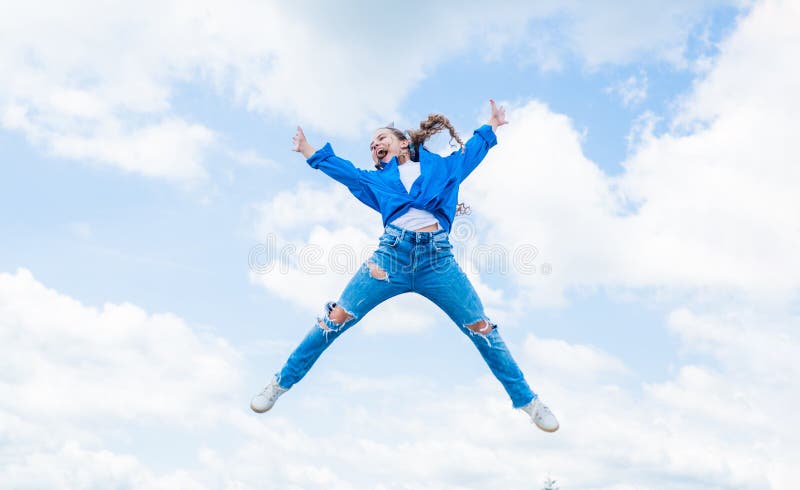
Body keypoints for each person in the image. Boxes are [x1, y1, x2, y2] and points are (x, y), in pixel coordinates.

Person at [251, 100, 559, 432]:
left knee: (482, 329)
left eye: (381, 138)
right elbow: (346, 172)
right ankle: (280, 383)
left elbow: (471, 154)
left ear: (403, 143)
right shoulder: (376, 181)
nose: (375, 146)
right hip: (389, 259)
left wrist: (493, 125)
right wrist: (307, 149)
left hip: (438, 261)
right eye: (371, 145)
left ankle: (530, 402)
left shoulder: (442, 168)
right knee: (334, 319)